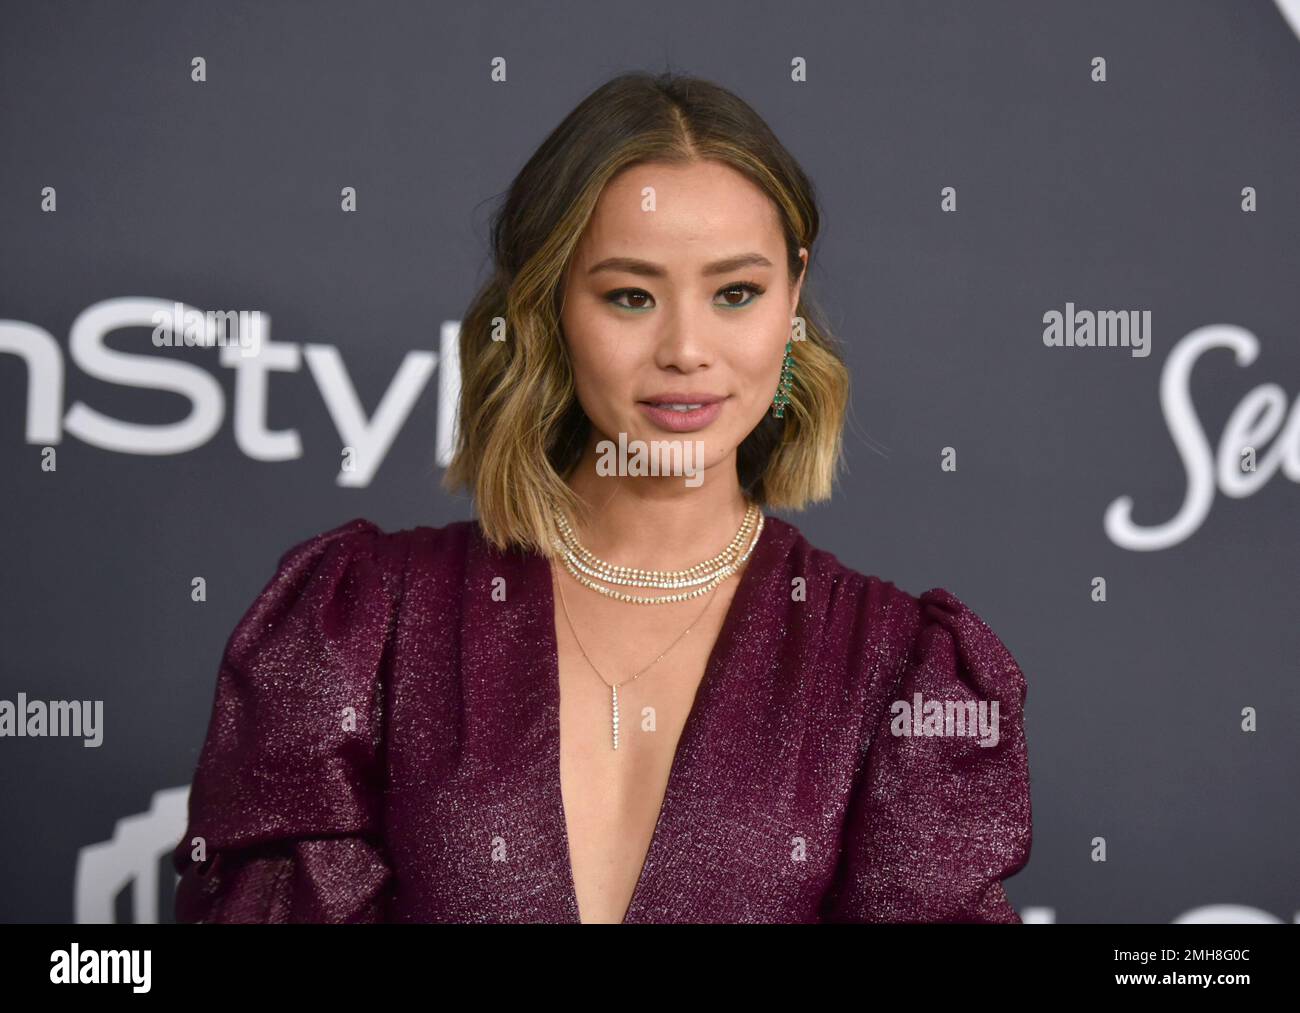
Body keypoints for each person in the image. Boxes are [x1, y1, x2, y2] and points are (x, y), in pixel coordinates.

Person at [171, 70, 1031, 924]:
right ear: (549, 303)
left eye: (736, 293)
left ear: (793, 296)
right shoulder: (367, 625)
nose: (686, 348)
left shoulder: (896, 666)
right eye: (630, 295)